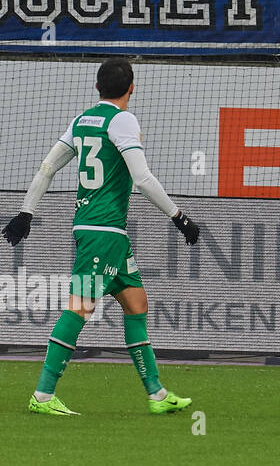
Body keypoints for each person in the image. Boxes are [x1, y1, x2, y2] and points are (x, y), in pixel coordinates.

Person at [4, 58, 201, 416]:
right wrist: (179, 217)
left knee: (137, 303)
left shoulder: (82, 121)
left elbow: (47, 168)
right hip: (103, 231)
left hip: (104, 232)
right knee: (80, 309)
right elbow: (141, 179)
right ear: (132, 88)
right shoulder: (122, 120)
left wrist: (26, 212)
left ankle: (156, 394)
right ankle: (43, 395)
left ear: (97, 88)